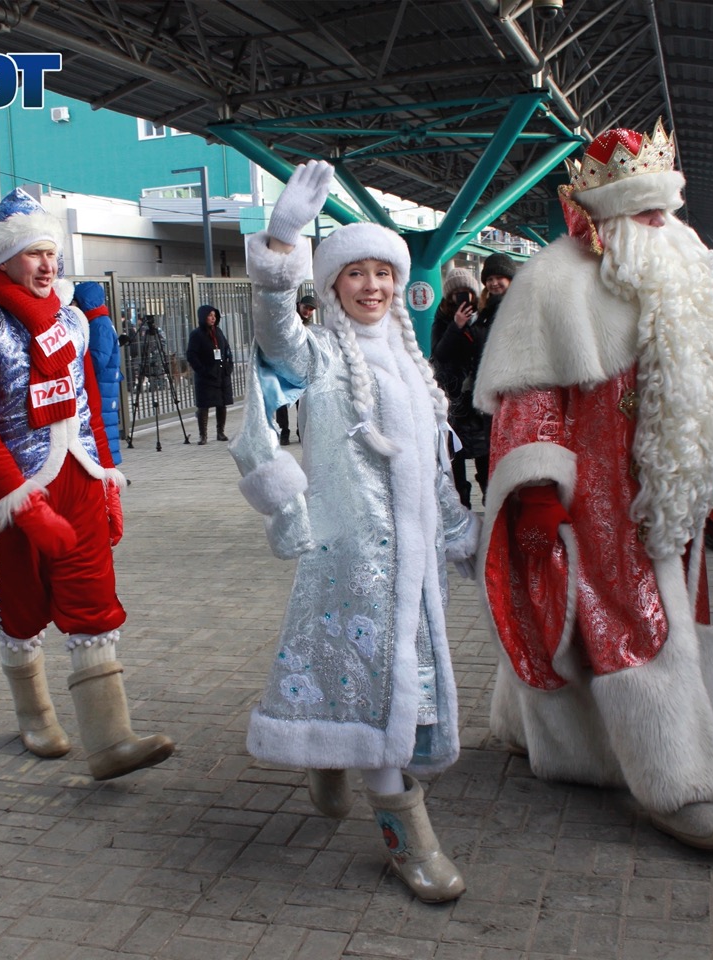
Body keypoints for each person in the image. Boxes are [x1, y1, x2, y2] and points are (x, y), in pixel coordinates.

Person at [472, 122, 713, 850]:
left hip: (671, 489)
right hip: (599, 495)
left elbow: (694, 376)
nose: (663, 225)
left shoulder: (678, 270)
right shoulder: (550, 282)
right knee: (633, 625)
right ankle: (679, 781)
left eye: (665, 211)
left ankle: (540, 732)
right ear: (610, 214)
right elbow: (527, 397)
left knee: (624, 618)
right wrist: (538, 489)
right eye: (647, 214)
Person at [231, 161, 479, 902]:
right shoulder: (324, 354)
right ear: (333, 285)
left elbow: (434, 465)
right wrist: (282, 243)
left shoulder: (408, 362)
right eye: (355, 274)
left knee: (376, 678)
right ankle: (409, 839)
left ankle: (326, 749)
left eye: (383, 273)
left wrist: (460, 527)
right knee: (375, 689)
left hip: (414, 564)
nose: (371, 286)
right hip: (350, 560)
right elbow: (276, 335)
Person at [0, 187, 174, 779]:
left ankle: (110, 740)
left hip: (79, 477)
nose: (47, 265)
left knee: (94, 601)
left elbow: (89, 400)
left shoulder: (71, 319)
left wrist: (107, 477)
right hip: (11, 494)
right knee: (18, 608)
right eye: (31, 254)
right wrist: (20, 501)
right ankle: (35, 713)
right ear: (2, 261)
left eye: (51, 253)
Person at [430, 267, 489, 508]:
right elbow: (439, 355)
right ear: (449, 297)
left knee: (485, 459)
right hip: (454, 401)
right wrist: (456, 326)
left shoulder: (483, 317)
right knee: (456, 460)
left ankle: (491, 507)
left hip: (478, 399)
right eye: (457, 294)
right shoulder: (443, 319)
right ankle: (463, 511)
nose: (463, 298)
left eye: (467, 293)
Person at [73, 282, 123, 465]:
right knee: (105, 425)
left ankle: (108, 468)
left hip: (101, 384)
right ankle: (109, 467)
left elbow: (98, 359)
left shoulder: (98, 324)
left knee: (102, 426)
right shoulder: (100, 321)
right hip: (105, 384)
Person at [185, 304, 234, 444]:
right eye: (210, 316)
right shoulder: (196, 334)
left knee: (221, 404)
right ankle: (203, 435)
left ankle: (220, 432)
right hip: (206, 375)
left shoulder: (218, 331)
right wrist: (202, 370)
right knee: (204, 405)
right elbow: (192, 355)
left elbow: (227, 349)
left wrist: (228, 366)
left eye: (214, 316)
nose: (213, 318)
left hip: (221, 373)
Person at [274, 294, 315, 444]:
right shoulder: (289, 321)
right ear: (299, 305)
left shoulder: (308, 325)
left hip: (301, 369)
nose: (308, 311)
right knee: (282, 402)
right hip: (284, 367)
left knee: (301, 402)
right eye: (306, 308)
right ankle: (284, 432)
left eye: (311, 310)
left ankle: (301, 431)